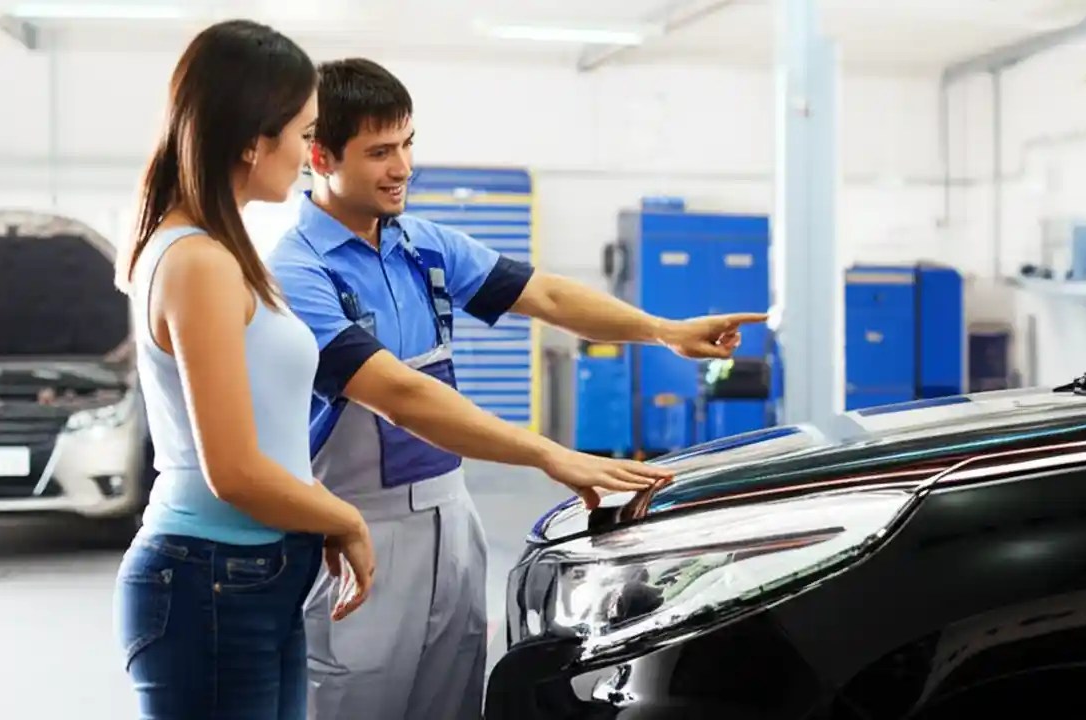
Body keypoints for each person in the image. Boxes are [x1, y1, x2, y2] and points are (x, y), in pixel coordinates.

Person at [267, 58, 766, 720]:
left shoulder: (423, 245)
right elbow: (398, 395)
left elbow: (547, 293)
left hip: (453, 518)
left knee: (452, 699)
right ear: (319, 155)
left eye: (408, 144)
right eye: (380, 151)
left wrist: (663, 330)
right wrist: (545, 453)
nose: (403, 167)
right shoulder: (296, 271)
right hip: (358, 529)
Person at [111, 21, 377, 720]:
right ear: (251, 140)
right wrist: (342, 517)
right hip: (214, 578)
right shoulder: (198, 261)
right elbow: (231, 468)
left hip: (248, 574)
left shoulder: (216, 249)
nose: (308, 153)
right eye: (302, 132)